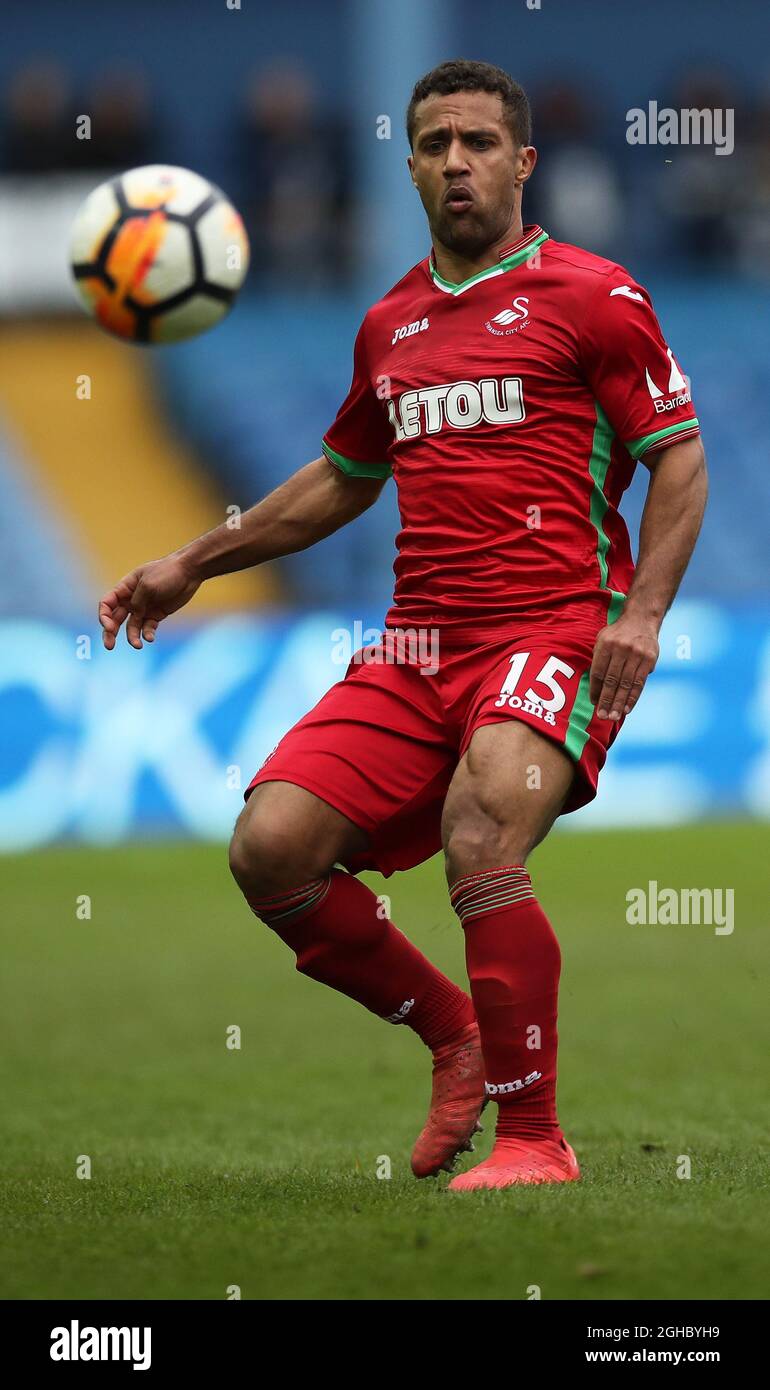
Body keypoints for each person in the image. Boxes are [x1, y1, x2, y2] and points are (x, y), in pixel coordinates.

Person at [99, 60, 707, 1191]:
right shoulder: (391, 324)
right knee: (270, 848)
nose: (456, 162)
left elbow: (678, 456)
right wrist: (192, 560)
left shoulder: (593, 295)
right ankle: (453, 1033)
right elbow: (342, 477)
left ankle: (535, 1139)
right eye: (434, 144)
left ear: (522, 164)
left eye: (479, 143)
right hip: (419, 643)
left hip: (552, 625)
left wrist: (645, 614)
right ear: (411, 164)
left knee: (484, 826)